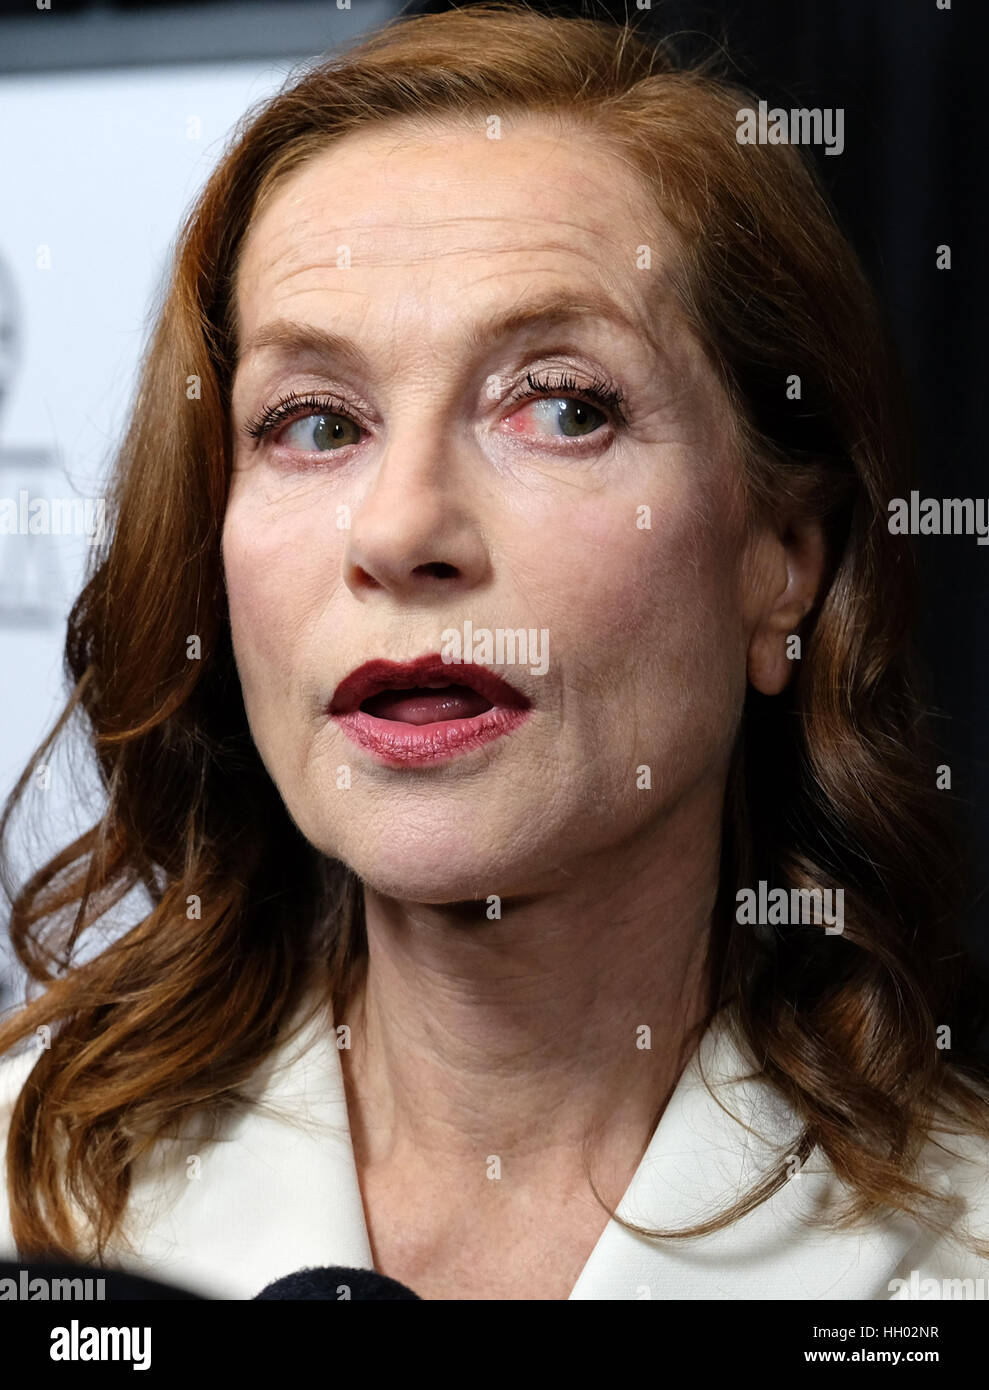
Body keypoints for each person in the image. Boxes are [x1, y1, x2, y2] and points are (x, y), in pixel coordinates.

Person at [1, 3, 987, 1301]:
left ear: (781, 560)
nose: (403, 527)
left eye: (563, 406)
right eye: (311, 423)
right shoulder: (32, 1190)